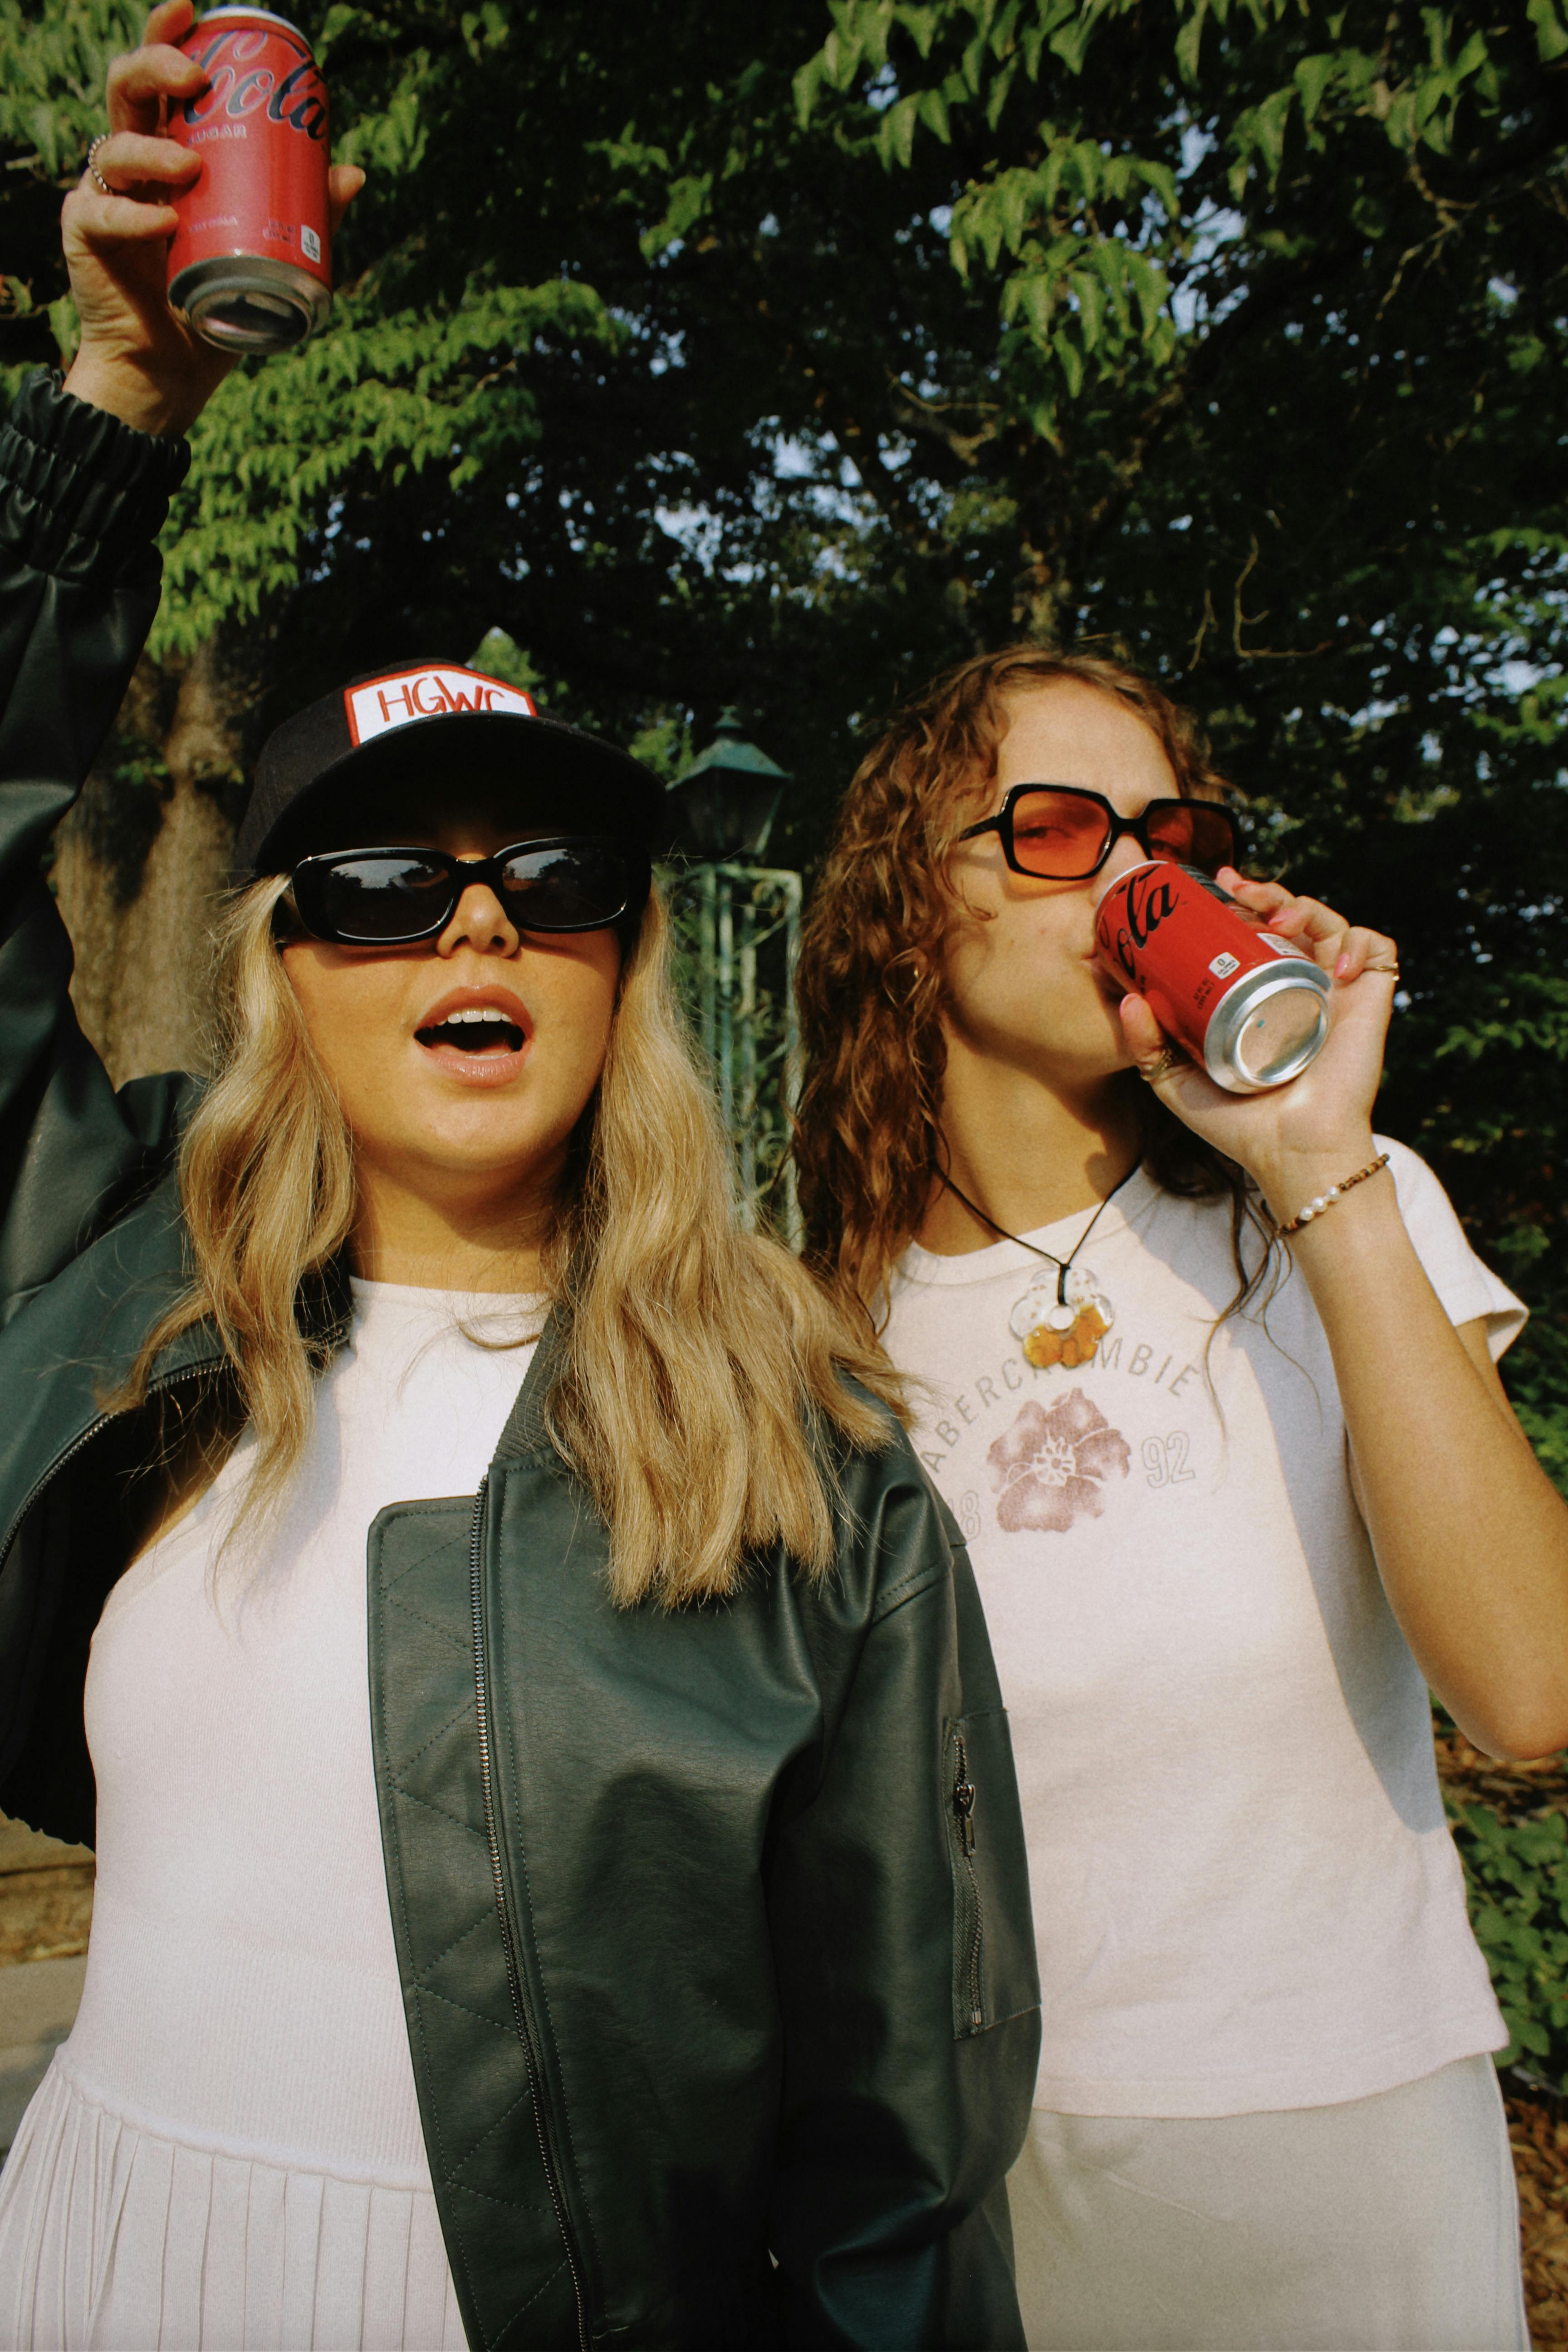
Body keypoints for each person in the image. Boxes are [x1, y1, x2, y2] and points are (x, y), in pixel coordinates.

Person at [0, 10, 1041, 2347]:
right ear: (287, 973)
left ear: (616, 967)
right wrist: (112, 415)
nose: (469, 921)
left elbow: (900, 2172)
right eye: (373, 886)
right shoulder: (130, 1284)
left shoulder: (811, 1470)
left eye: (545, 874)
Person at [793, 644, 1568, 2351]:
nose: (1136, 871)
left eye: (1173, 832)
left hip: (1346, 2135)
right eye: (1060, 830)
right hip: (985, 2164)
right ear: (908, 907)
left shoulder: (1326, 1212)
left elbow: (1533, 1688)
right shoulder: (818, 1327)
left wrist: (1311, 1155)